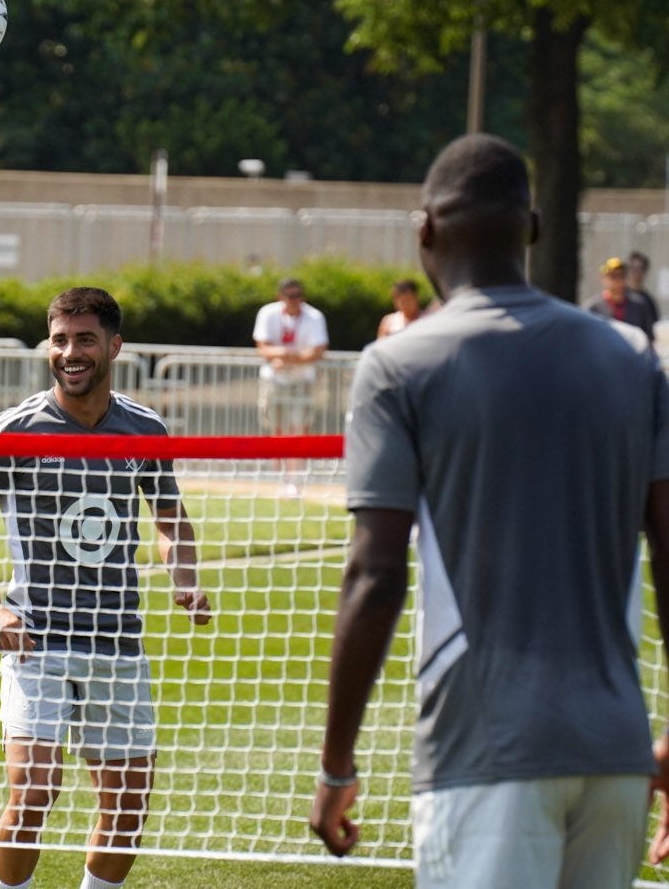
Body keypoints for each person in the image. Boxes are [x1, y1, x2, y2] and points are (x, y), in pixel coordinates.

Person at [308, 133, 669, 887]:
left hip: (486, 747)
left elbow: (375, 577)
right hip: (615, 752)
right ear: (532, 227)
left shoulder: (400, 364)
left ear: (425, 230)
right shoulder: (634, 357)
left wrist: (337, 762)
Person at [0, 286, 211, 889]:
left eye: (85, 339)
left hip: (117, 643)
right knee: (34, 791)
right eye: (59, 340)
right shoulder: (13, 430)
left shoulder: (145, 430)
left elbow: (171, 521)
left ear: (114, 345)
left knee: (127, 809)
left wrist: (184, 576)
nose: (70, 352)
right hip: (36, 641)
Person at [252, 277, 328, 435]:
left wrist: (287, 358)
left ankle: (297, 461)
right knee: (275, 427)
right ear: (280, 296)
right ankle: (277, 461)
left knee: (300, 428)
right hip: (274, 379)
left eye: (298, 295)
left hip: (303, 380)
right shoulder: (267, 313)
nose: (295, 300)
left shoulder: (314, 316)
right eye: (290, 296)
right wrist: (282, 354)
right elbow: (262, 347)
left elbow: (318, 350)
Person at [585, 255, 657, 341]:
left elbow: (649, 337)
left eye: (622, 276)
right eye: (613, 276)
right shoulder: (593, 308)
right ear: (603, 278)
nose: (618, 280)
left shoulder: (639, 305)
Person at [628, 250, 661, 321]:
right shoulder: (620, 297)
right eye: (633, 268)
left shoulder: (648, 301)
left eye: (640, 269)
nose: (636, 273)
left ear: (646, 272)